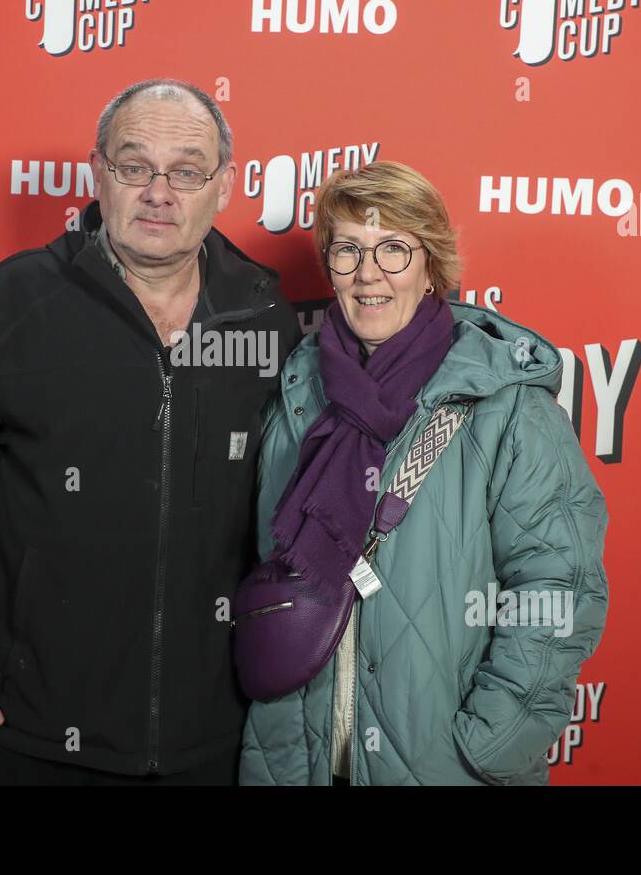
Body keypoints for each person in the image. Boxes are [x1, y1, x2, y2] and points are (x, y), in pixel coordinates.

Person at [0, 78, 302, 785]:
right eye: (134, 166)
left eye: (187, 171)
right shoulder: (15, 301)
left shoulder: (264, 316)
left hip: (209, 745)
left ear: (224, 186)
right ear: (97, 173)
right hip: (25, 735)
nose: (159, 192)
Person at [238, 160, 609, 785]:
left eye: (393, 249)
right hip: (296, 761)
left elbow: (558, 585)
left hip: (441, 764)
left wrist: (491, 743)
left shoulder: (506, 404)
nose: (369, 273)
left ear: (431, 265)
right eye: (348, 250)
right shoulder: (298, 394)